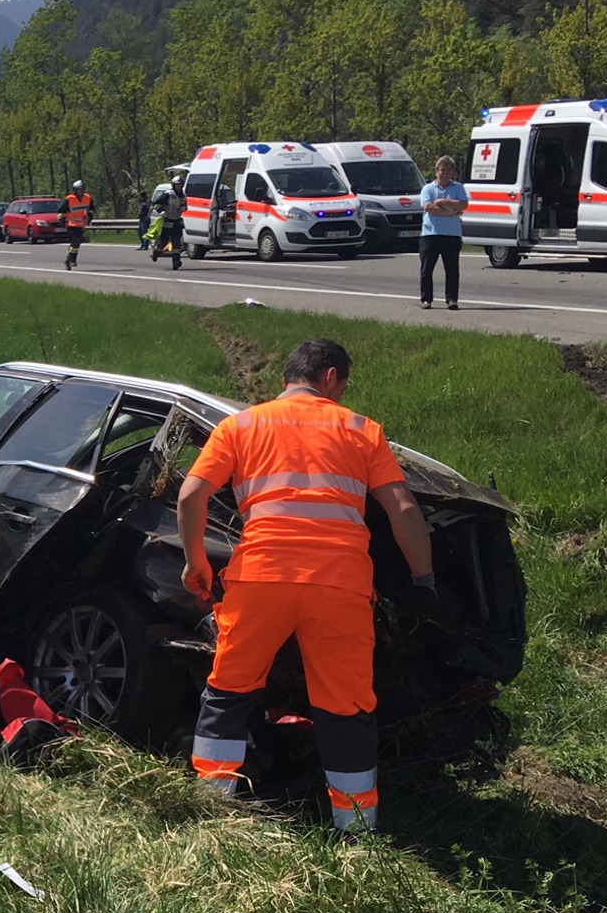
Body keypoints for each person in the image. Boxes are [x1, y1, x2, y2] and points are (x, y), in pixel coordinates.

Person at [177, 338, 435, 833]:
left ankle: (213, 809)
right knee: (346, 707)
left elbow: (191, 496)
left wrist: (195, 566)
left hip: (260, 578)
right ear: (332, 377)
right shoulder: (363, 430)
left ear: (286, 380)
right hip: (339, 585)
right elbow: (403, 509)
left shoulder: (240, 425)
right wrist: (423, 580)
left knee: (229, 691)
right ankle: (355, 827)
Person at [419, 155, 468, 310]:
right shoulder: (428, 188)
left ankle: (452, 299)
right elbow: (428, 207)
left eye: (448, 170)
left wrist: (444, 202)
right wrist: (450, 212)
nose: (445, 173)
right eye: (442, 170)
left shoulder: (458, 188)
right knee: (427, 270)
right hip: (430, 234)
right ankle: (427, 300)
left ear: (452, 172)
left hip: (452, 235)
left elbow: (463, 204)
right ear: (437, 172)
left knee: (452, 270)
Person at [148, 170, 186, 269]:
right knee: (163, 243)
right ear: (173, 185)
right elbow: (156, 203)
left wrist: (184, 208)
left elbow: (184, 206)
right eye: (177, 184)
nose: (179, 186)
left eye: (181, 184)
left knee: (177, 243)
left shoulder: (183, 196)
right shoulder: (168, 194)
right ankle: (157, 251)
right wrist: (161, 211)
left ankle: (176, 261)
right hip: (167, 222)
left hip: (177, 221)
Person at [63, 179, 94, 270]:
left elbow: (92, 208)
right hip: (71, 224)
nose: (81, 191)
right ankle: (72, 260)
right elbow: (61, 211)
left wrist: (90, 215)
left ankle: (69, 259)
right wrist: (61, 219)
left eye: (82, 189)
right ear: (75, 190)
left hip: (81, 224)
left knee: (76, 244)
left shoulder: (87, 198)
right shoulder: (70, 199)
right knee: (75, 241)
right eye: (79, 189)